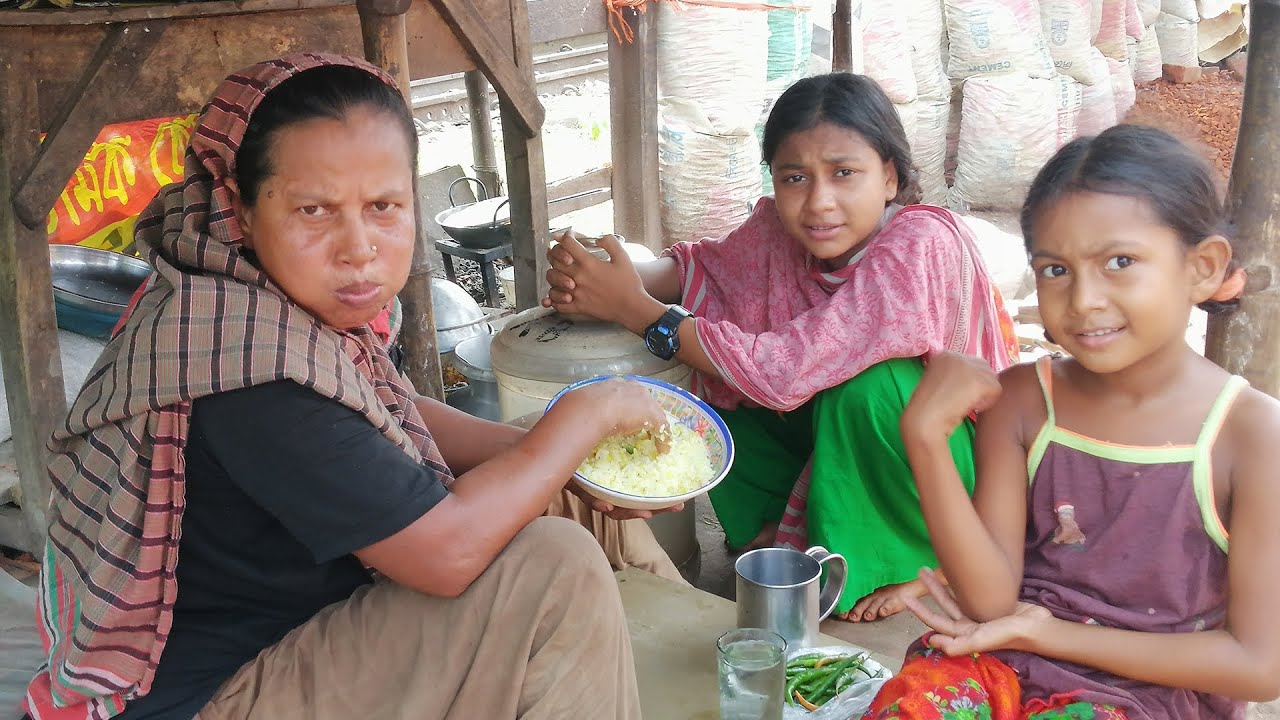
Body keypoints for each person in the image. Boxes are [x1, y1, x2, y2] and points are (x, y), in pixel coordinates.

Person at [25, 54, 683, 720]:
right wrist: (585, 414)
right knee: (553, 568)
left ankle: (708, 665)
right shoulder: (244, 367)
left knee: (558, 480)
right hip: (220, 692)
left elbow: (381, 411)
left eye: (383, 207)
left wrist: (558, 453)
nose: (359, 248)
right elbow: (447, 553)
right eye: (314, 210)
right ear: (242, 210)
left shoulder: (256, 296)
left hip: (307, 623)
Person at [543, 73, 1018, 621]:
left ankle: (915, 556)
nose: (819, 202)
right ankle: (784, 522)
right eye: (795, 177)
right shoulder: (779, 229)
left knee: (863, 387)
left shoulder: (919, 244)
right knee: (716, 375)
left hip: (953, 466)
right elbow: (708, 272)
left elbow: (784, 371)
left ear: (889, 177)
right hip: (857, 447)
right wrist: (604, 280)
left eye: (844, 173)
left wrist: (634, 309)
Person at [870, 125, 1280, 719]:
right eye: (1055, 269)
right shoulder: (1023, 400)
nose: (1084, 300)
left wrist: (1047, 634)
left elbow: (1258, 665)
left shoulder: (1251, 435)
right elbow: (989, 603)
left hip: (1152, 696)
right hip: (1002, 654)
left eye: (1120, 262)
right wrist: (925, 437)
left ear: (1203, 267)